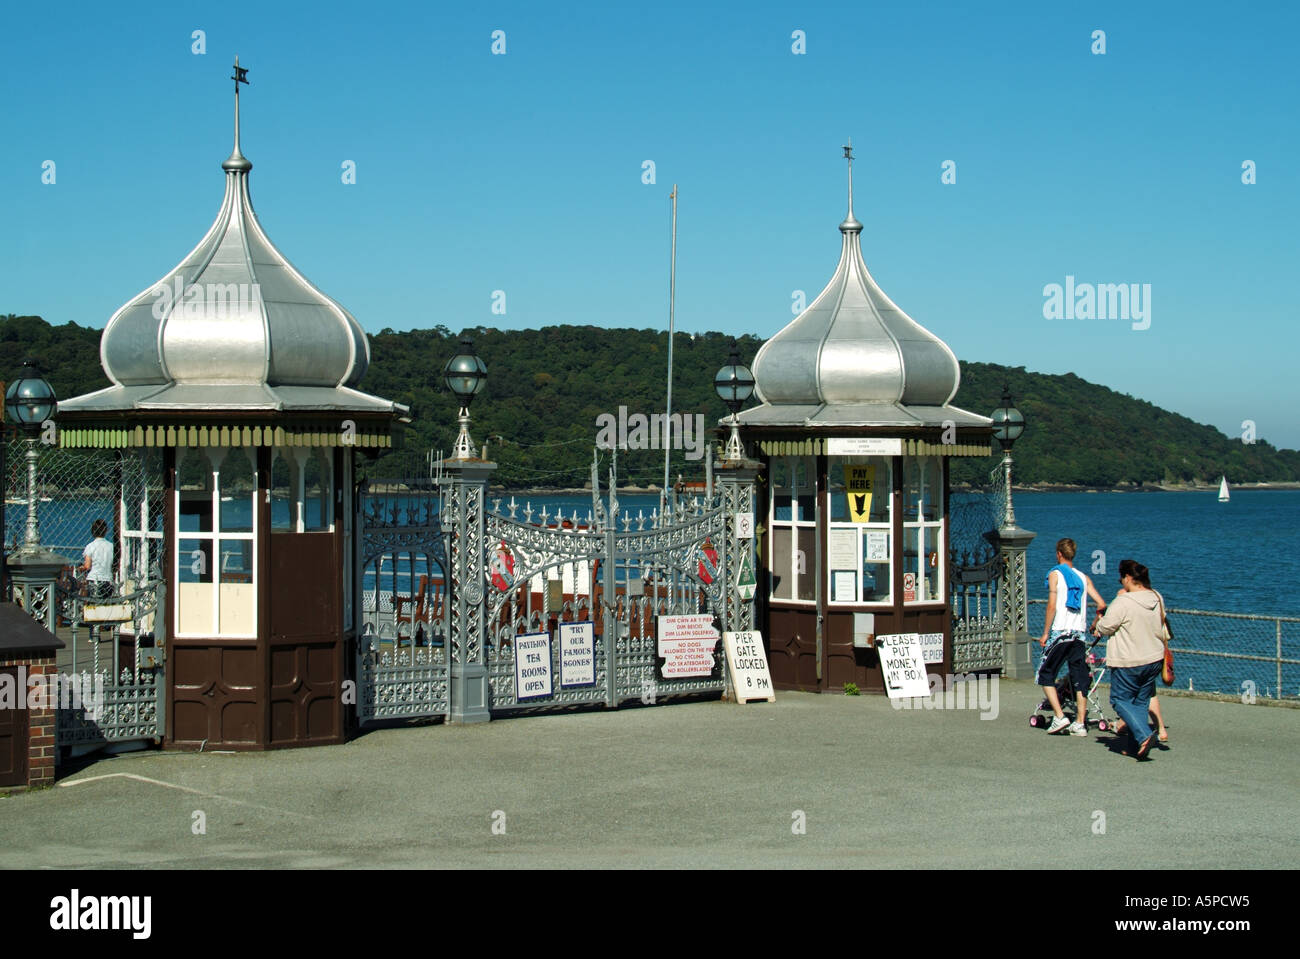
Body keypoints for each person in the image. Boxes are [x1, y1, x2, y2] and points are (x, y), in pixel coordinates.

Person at [1094, 559, 1167, 760]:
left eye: (1121, 579)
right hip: (1154, 658)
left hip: (1129, 660)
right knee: (1140, 701)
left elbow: (1105, 627)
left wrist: (1100, 620)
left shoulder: (1123, 602)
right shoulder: (1156, 597)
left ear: (1127, 578)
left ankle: (1144, 735)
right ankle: (1136, 746)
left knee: (1119, 700)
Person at [1037, 538, 1108, 736]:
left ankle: (1059, 716)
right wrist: (1094, 624)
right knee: (1079, 677)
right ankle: (1079, 723)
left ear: (1059, 553)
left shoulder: (1055, 574)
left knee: (1045, 674)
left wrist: (1045, 633)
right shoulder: (1084, 577)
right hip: (1079, 634)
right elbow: (1101, 604)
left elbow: (1052, 605)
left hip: (1061, 632)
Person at [80, 519, 114, 600]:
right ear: (105, 531)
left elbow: (87, 566)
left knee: (93, 604)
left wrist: (81, 568)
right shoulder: (111, 546)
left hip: (94, 579)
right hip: (108, 579)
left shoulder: (90, 546)